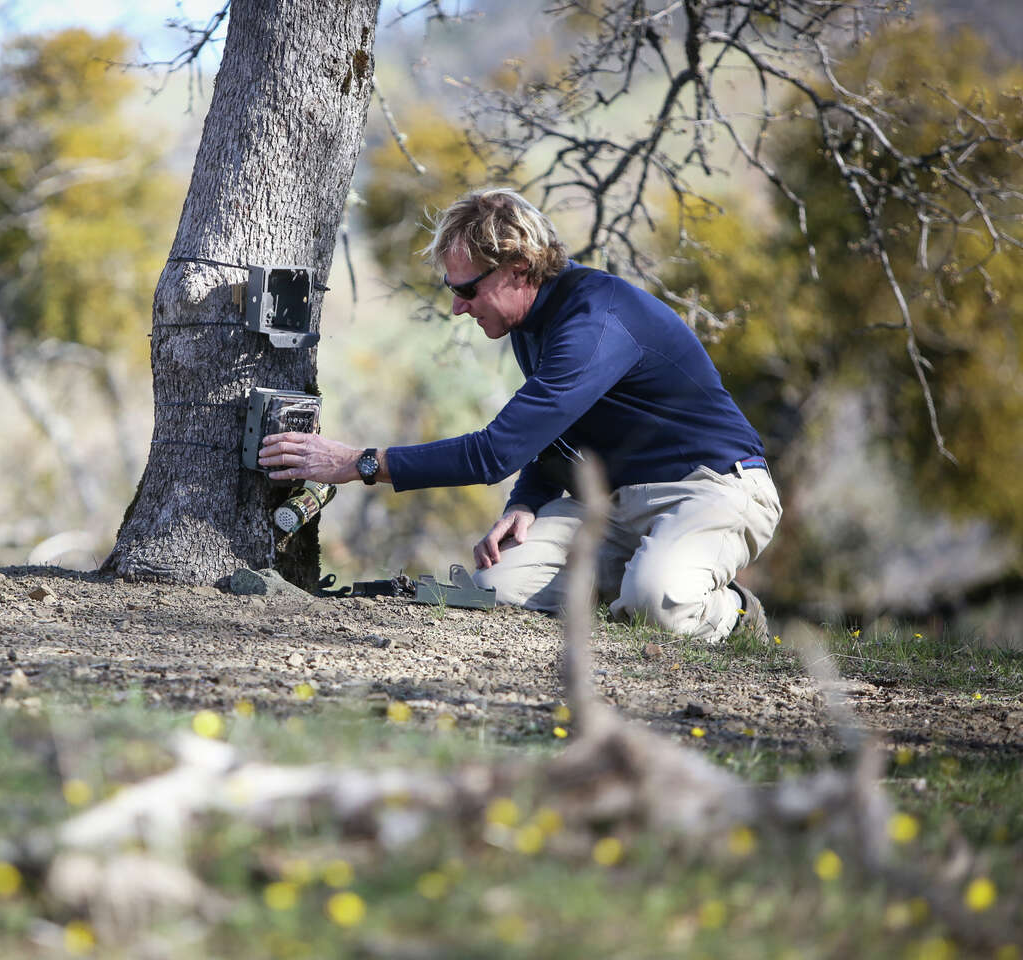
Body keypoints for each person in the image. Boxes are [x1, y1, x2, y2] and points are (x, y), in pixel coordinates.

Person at [258, 187, 780, 643]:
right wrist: (528, 501)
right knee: (495, 588)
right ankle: (640, 579)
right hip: (614, 504)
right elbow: (551, 434)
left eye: (467, 289)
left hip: (712, 489)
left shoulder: (593, 321)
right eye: (451, 289)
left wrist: (359, 463)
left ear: (519, 270)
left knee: (658, 604)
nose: (459, 306)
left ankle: (732, 612)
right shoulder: (532, 323)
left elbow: (495, 452)